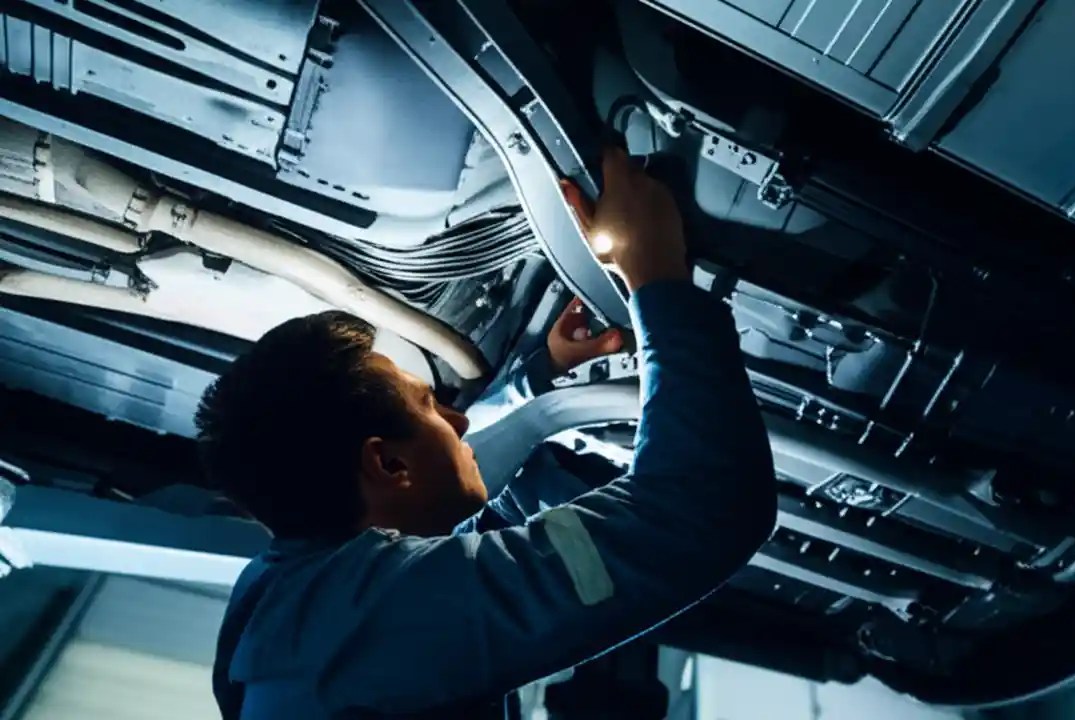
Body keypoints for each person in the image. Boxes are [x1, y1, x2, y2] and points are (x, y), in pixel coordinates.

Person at [199, 148, 777, 719]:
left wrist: (538, 373)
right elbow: (702, 509)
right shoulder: (364, 622)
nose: (459, 420)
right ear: (387, 465)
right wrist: (656, 275)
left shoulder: (301, 612)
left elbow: (479, 529)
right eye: (429, 406)